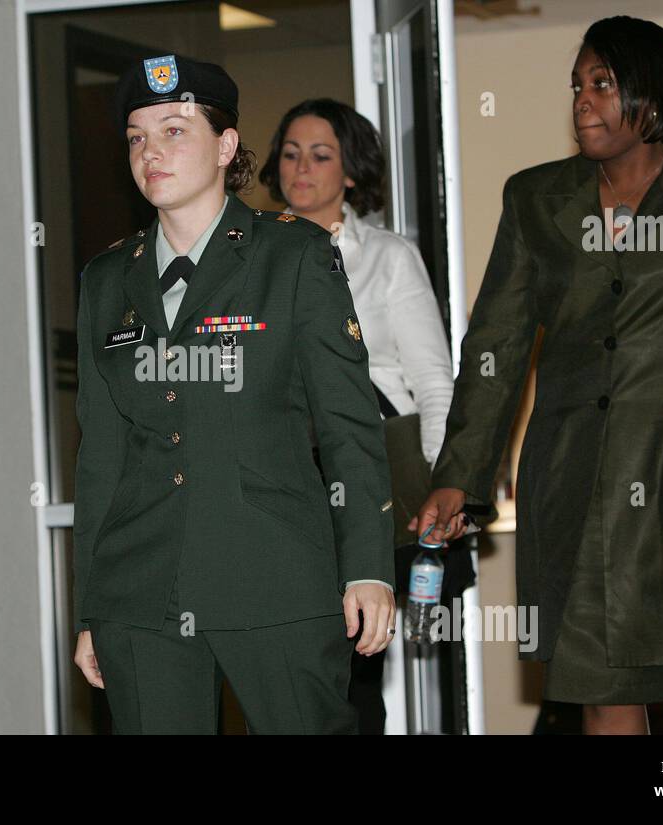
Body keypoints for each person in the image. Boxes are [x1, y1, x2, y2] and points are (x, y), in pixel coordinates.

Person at [411, 16, 663, 735]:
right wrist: (458, 473)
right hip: (576, 485)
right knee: (599, 694)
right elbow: (495, 346)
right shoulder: (536, 200)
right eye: (576, 85)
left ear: (652, 98)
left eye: (601, 83)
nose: (581, 101)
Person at [69, 54, 396, 735]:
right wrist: (92, 607)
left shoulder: (293, 256)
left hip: (273, 576)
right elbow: (100, 455)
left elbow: (348, 424)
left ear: (225, 146)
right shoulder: (107, 279)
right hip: (142, 593)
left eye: (174, 130)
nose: (151, 151)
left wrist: (368, 565)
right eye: (136, 136)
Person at [260, 98, 455, 734]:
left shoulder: (388, 257)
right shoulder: (248, 258)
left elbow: (431, 378)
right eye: (290, 154)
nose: (300, 168)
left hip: (371, 464)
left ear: (351, 173)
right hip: (284, 476)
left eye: (320, 155)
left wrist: (439, 483)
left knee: (357, 660)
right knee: (285, 657)